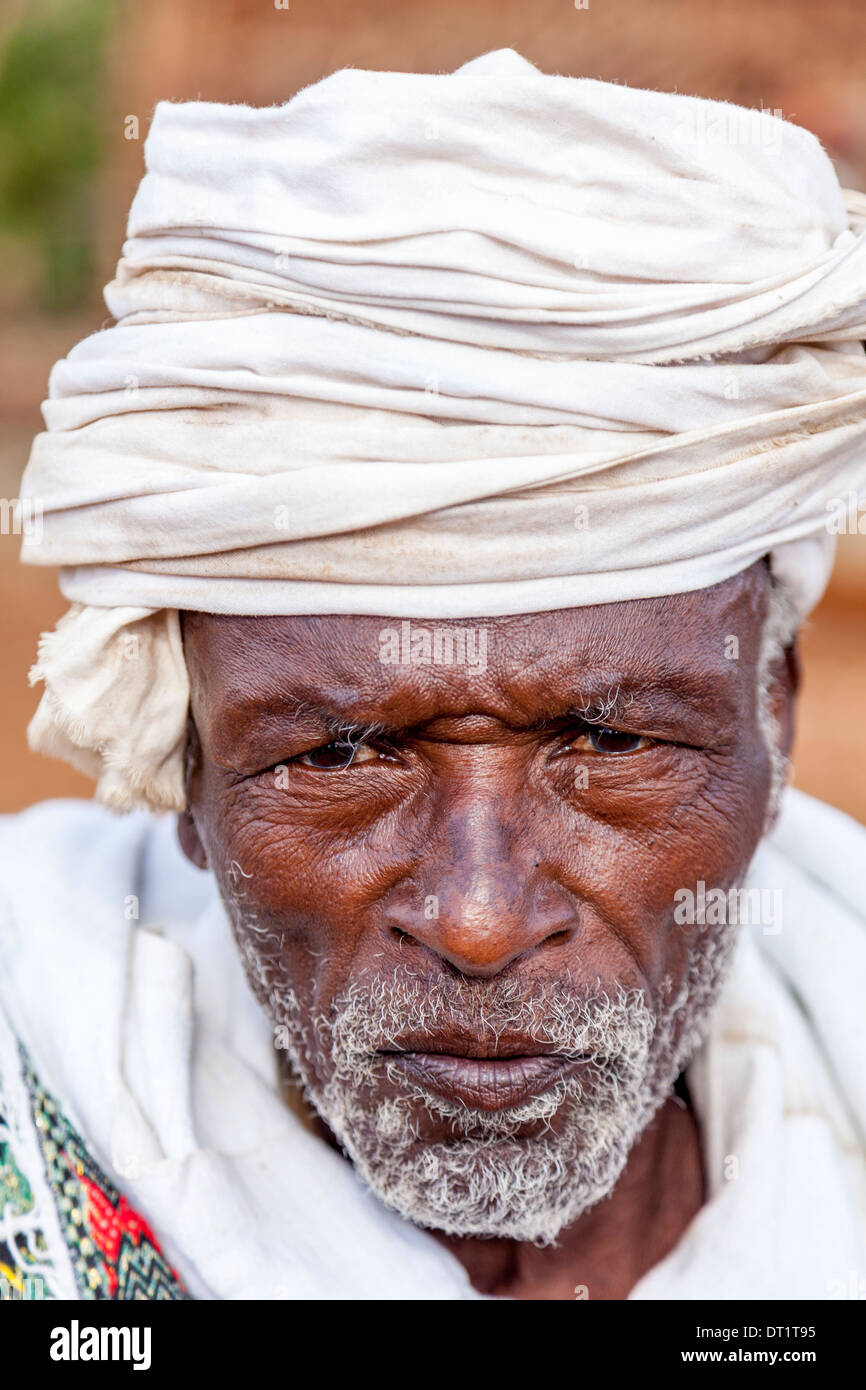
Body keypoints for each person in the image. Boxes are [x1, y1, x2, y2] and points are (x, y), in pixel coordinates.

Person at [1, 49, 865, 1301]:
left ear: (771, 718)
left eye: (610, 744)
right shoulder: (34, 1028)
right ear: (185, 762)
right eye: (341, 755)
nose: (477, 919)